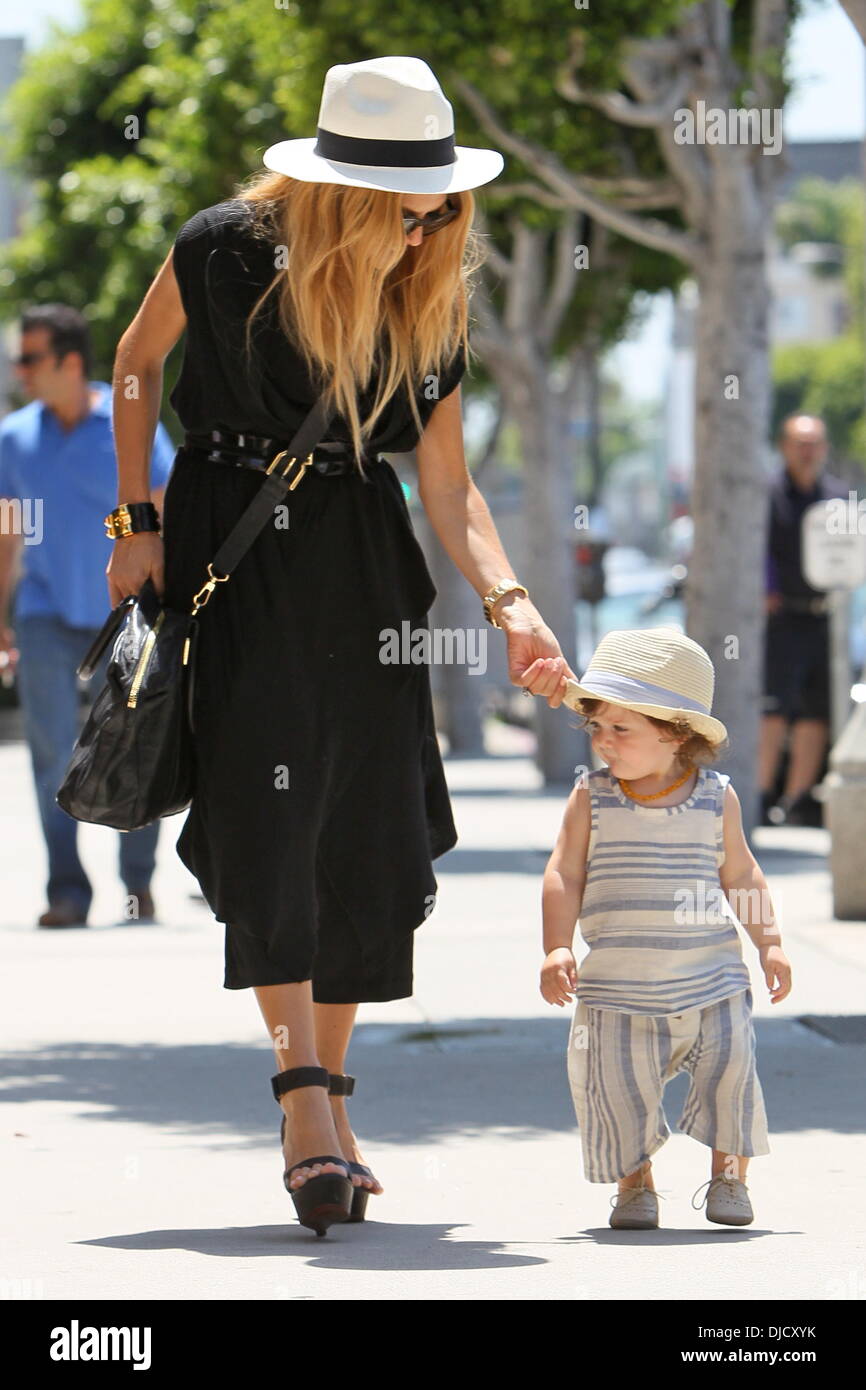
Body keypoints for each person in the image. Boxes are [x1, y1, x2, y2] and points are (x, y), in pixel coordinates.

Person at [105, 56, 578, 1236]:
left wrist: (512, 603)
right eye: (403, 208)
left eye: (437, 209)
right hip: (238, 550)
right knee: (270, 822)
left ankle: (330, 1091)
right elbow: (132, 362)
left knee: (365, 829)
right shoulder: (222, 247)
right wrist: (135, 521)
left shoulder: (425, 291)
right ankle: (302, 1101)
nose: (425, 229)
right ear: (337, 191)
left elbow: (448, 480)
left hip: (364, 567)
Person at [540, 627, 792, 1229]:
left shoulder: (715, 797)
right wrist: (555, 946)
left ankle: (729, 1177)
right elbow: (563, 873)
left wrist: (771, 943)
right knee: (618, 1093)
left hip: (713, 981)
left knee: (731, 1078)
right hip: (618, 990)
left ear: (675, 733)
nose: (604, 742)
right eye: (596, 727)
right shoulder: (591, 796)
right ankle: (636, 1186)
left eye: (620, 729)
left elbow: (743, 876)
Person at [0, 304, 175, 928]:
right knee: (51, 757)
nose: (19, 370)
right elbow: (6, 533)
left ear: (70, 363)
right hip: (44, 615)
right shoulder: (13, 437)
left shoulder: (129, 425)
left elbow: (161, 509)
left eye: (30, 358)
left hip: (125, 616)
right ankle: (67, 893)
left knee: (132, 748)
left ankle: (137, 885)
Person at [759, 413, 849, 827]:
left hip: (824, 619)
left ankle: (795, 800)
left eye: (814, 442)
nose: (807, 450)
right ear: (784, 446)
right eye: (800, 442)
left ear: (824, 447)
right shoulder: (768, 494)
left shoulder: (836, 497)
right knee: (774, 710)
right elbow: (759, 550)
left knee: (817, 714)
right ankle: (759, 798)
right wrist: (765, 588)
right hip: (781, 619)